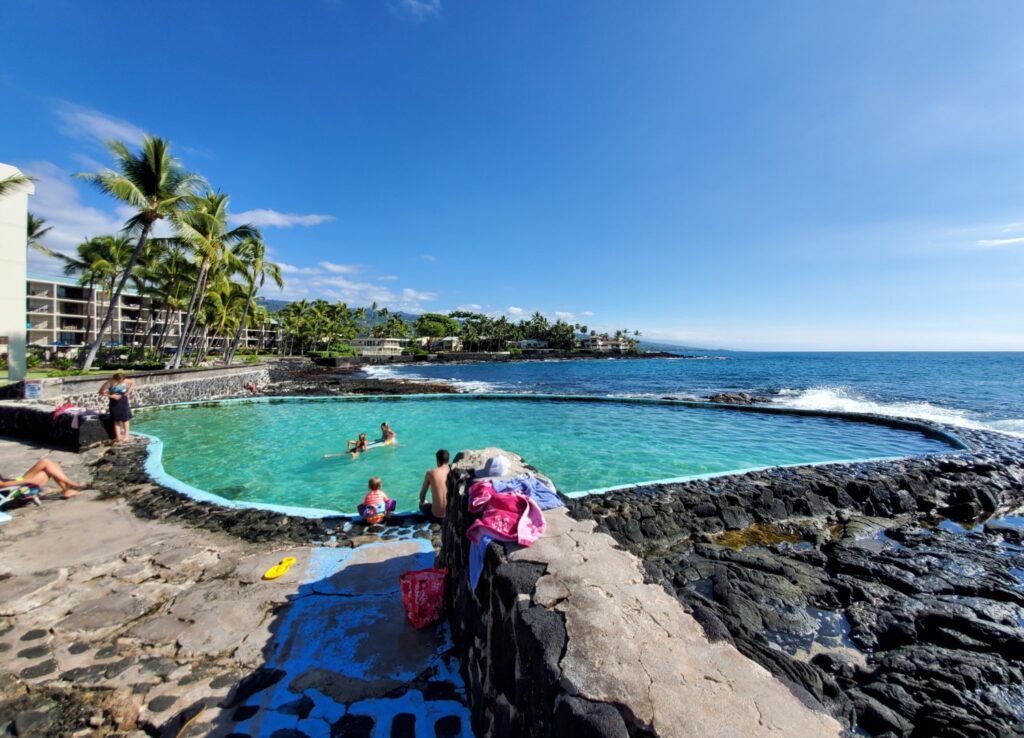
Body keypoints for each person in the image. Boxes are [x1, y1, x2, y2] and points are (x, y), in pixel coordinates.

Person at [1, 457, 83, 499]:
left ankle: (67, 488)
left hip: (16, 482)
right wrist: (30, 480)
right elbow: (2, 485)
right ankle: (69, 486)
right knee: (49, 465)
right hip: (14, 489)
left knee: (50, 465)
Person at [99, 373, 134, 444]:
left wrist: (128, 392)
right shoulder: (109, 382)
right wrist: (111, 396)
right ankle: (118, 437)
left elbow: (132, 382)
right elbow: (101, 392)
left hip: (123, 400)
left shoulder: (126, 381)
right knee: (116, 419)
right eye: (119, 380)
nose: (121, 382)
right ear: (115, 379)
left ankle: (126, 436)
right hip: (114, 402)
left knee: (125, 419)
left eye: (122, 380)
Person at [418, 449, 450, 523]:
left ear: (437, 460)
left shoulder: (430, 473)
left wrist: (423, 502)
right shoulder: (452, 472)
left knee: (422, 504)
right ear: (448, 460)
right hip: (449, 517)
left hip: (435, 517)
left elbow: (422, 496)